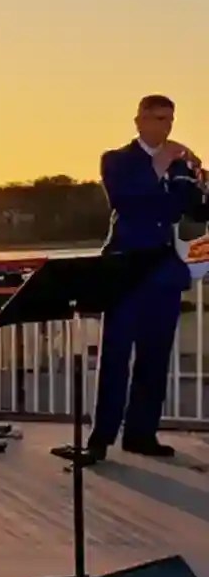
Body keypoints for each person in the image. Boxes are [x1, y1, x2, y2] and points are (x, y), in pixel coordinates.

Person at [90, 94, 209, 461]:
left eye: (170, 120)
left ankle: (142, 433)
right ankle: (101, 437)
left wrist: (201, 182)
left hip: (163, 272)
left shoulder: (178, 165)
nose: (165, 126)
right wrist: (160, 167)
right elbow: (125, 202)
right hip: (125, 270)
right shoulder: (117, 160)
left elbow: (191, 211)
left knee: (154, 359)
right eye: (158, 118)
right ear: (139, 120)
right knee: (115, 356)